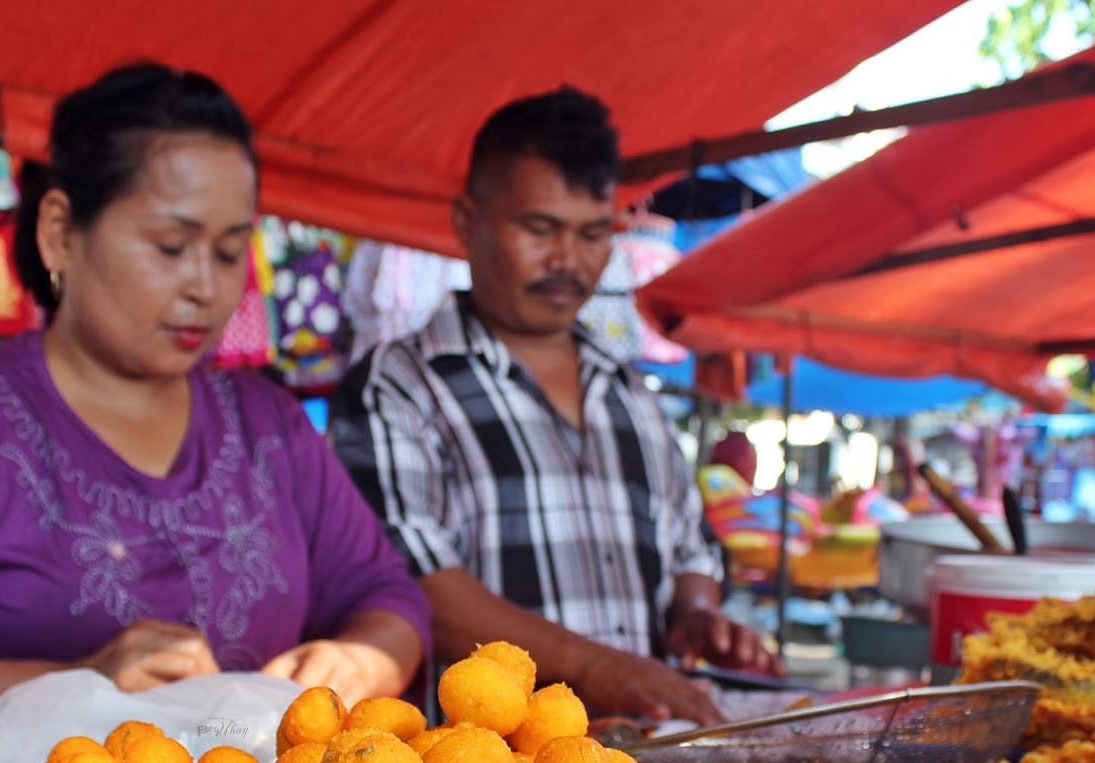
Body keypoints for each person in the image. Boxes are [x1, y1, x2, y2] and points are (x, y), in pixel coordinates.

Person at [0, 63, 429, 763]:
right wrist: (77, 685)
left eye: (231, 251)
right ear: (58, 233)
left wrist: (357, 660)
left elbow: (388, 599)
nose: (206, 285)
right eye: (171, 247)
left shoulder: (271, 425)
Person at [330, 87, 777, 727]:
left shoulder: (629, 391)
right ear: (467, 221)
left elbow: (691, 551)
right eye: (540, 230)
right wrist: (601, 669)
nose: (568, 260)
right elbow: (414, 589)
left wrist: (698, 615)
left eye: (593, 234)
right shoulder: (397, 385)